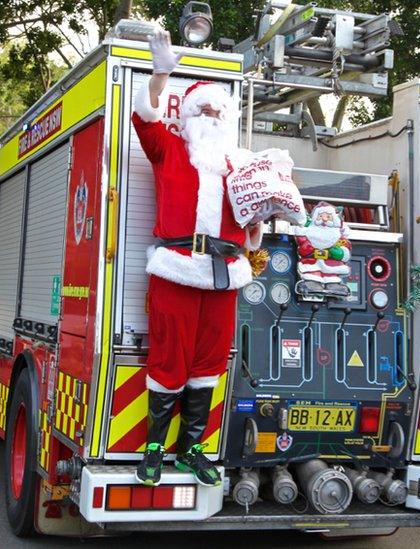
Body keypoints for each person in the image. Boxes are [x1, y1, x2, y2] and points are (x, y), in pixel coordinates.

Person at [130, 30, 262, 487]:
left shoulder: (240, 166)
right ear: (186, 116)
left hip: (224, 274)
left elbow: (254, 217)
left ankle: (190, 448)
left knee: (208, 363)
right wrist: (160, 75)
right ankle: (154, 447)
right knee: (169, 358)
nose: (211, 116)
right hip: (176, 269)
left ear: (228, 118)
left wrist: (259, 223)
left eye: (217, 111)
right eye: (202, 110)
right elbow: (144, 119)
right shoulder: (169, 150)